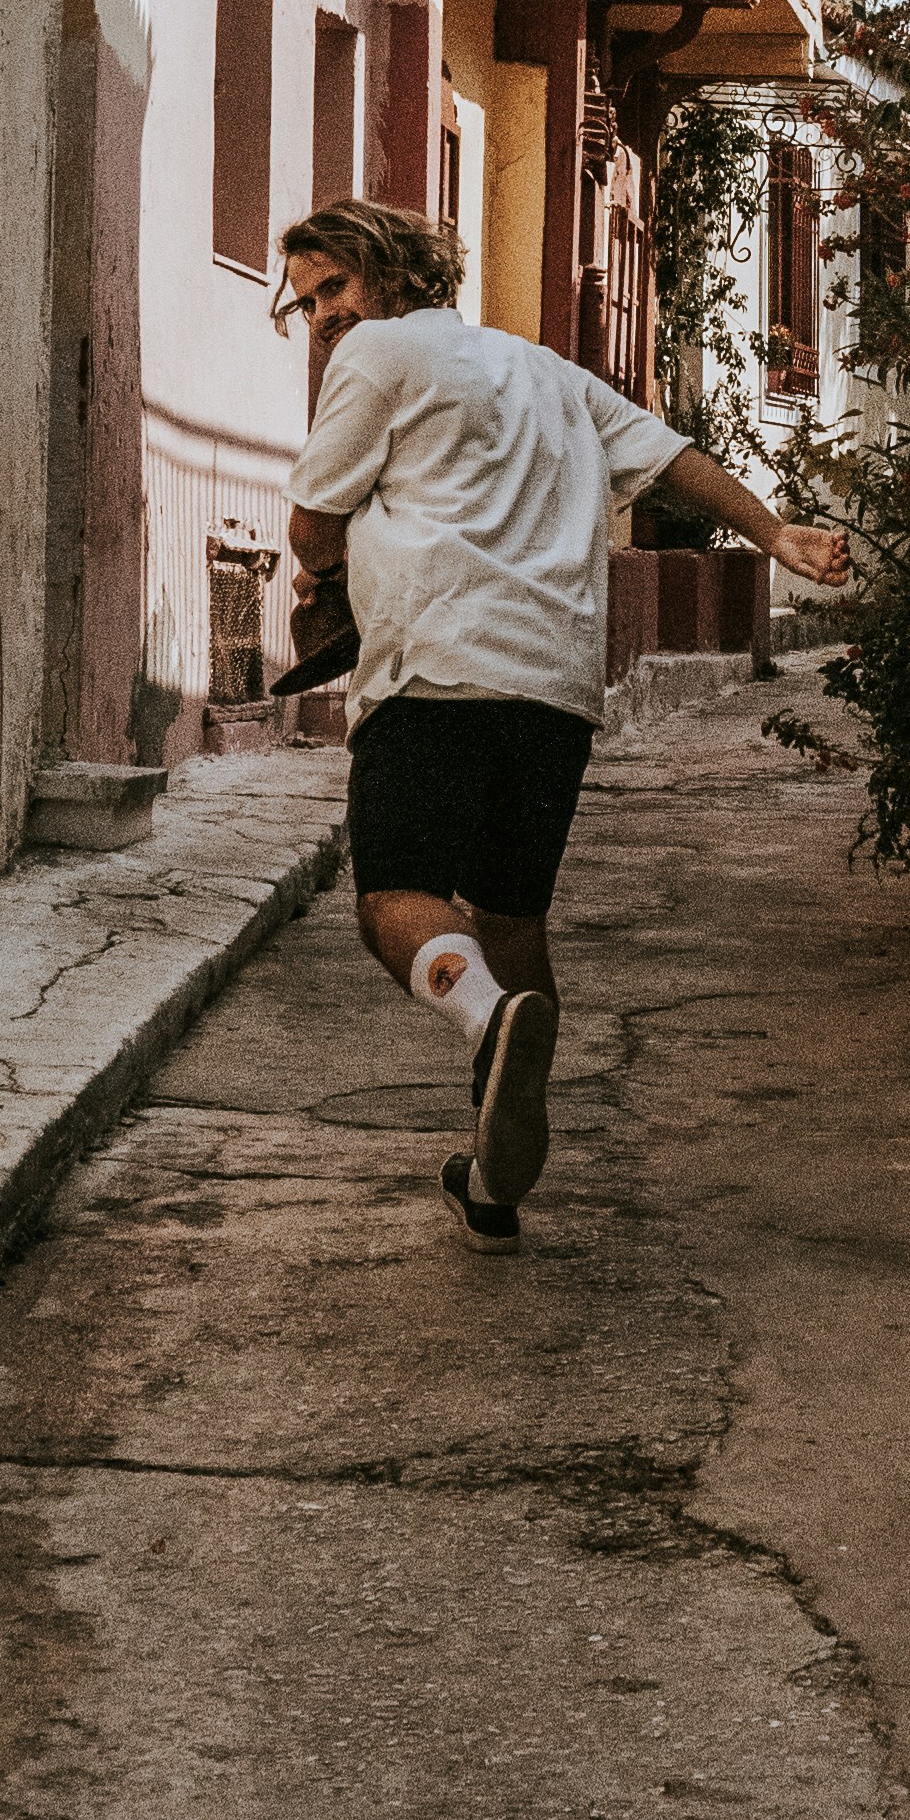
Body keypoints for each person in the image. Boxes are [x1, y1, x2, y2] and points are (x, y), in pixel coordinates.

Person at [275, 197, 849, 1243]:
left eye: (334, 286)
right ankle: (495, 1175)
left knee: (394, 900)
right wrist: (779, 538)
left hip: (434, 674)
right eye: (306, 301)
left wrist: (323, 576)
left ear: (393, 274)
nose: (321, 316)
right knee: (510, 919)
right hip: (553, 693)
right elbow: (675, 458)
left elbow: (315, 517)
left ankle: (488, 1022)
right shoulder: (547, 371)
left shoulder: (379, 354)